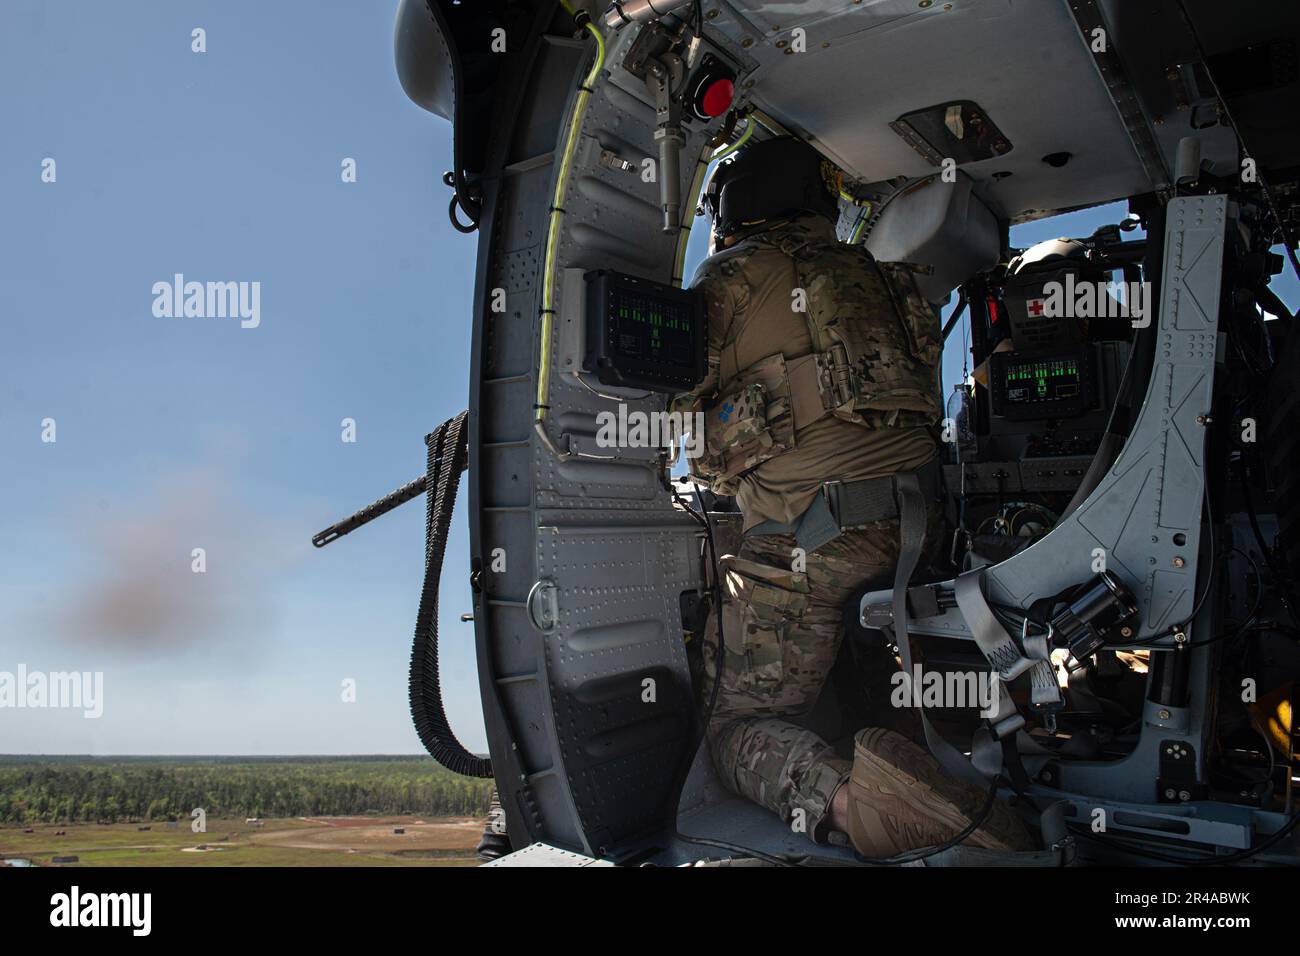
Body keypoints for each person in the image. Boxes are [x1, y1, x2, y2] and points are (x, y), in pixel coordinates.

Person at [672, 136, 1030, 855]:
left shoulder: (731, 279)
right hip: (916, 535)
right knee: (869, 678)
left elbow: (673, 402)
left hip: (808, 545)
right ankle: (919, 762)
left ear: (739, 208)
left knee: (731, 729)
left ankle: (859, 806)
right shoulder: (880, 275)